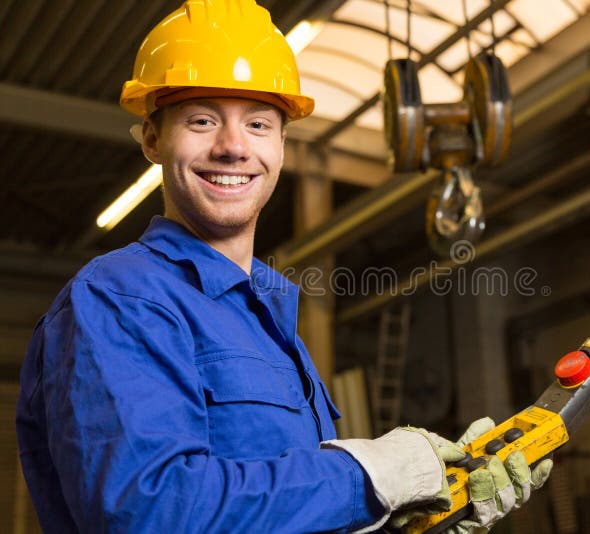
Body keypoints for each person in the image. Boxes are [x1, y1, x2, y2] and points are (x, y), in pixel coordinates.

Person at [16, 1, 552, 532]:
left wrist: (414, 515)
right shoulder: (120, 298)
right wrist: (367, 477)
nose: (232, 147)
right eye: (202, 120)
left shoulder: (267, 321)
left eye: (257, 124)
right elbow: (149, 514)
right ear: (154, 139)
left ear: (281, 145)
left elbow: (290, 516)